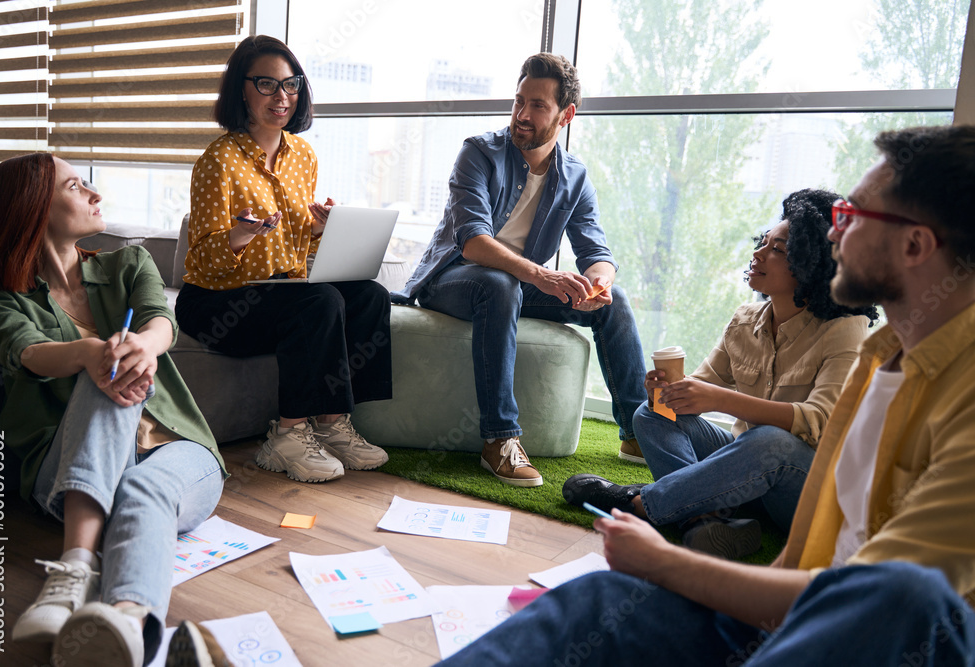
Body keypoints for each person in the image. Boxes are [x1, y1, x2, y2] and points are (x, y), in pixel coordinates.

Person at [434, 125, 975, 666]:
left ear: (915, 244)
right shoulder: (881, 357)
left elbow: (882, 606)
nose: (833, 237)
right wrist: (675, 395)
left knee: (907, 593)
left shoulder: (947, 384)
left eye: (851, 218)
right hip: (792, 610)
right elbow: (798, 563)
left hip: (866, 639)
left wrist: (667, 565)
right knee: (596, 598)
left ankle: (653, 504)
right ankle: (700, 520)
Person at [0, 154, 228, 666]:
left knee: (143, 481)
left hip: (177, 451)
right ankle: (97, 595)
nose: (95, 195)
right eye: (76, 186)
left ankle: (116, 613)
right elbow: (23, 350)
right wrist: (93, 354)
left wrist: (142, 345)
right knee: (103, 368)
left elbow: (162, 320)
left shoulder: (127, 263)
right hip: (66, 466)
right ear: (33, 208)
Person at [564, 189, 877, 559]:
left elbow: (820, 420)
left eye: (777, 249)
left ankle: (641, 503)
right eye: (763, 242)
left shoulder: (846, 327)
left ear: (811, 263)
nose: (758, 253)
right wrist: (665, 392)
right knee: (653, 414)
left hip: (808, 491)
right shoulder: (745, 320)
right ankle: (705, 522)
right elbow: (697, 390)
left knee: (770, 441)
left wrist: (721, 400)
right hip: (747, 476)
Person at [392, 53, 648, 487]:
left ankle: (639, 432)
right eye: (518, 102)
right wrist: (544, 276)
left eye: (538, 106)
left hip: (516, 283)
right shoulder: (478, 153)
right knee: (499, 286)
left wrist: (600, 282)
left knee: (614, 302)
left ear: (566, 114)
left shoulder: (575, 177)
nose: (522, 115)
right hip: (454, 279)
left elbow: (595, 248)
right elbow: (473, 243)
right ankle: (499, 440)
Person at [175, 35, 392, 484]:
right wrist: (237, 236)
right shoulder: (217, 161)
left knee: (369, 294)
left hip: (276, 290)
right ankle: (287, 435)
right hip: (216, 301)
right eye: (267, 85)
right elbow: (201, 261)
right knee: (319, 302)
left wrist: (320, 232)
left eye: (290, 85)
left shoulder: (302, 155)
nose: (282, 97)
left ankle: (333, 424)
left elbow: (296, 249)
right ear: (241, 89)